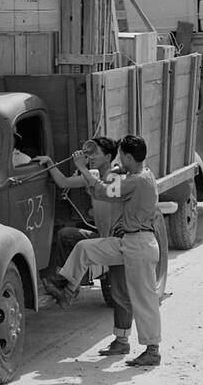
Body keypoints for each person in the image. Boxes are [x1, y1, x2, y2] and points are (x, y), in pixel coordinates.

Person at [58, 135, 163, 367]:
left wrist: (82, 168)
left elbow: (105, 191)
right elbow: (107, 185)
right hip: (128, 242)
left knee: (143, 299)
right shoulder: (140, 176)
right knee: (85, 248)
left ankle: (152, 350)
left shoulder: (136, 181)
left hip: (138, 245)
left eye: (122, 157)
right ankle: (68, 289)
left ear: (127, 156)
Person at [45, 138, 136, 355]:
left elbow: (109, 193)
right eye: (90, 154)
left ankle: (122, 342)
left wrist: (82, 169)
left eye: (95, 154)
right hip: (101, 237)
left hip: (118, 240)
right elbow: (64, 183)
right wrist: (49, 162)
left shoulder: (116, 176)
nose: (91, 157)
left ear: (108, 157)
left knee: (120, 294)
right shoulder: (93, 176)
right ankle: (68, 288)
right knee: (67, 236)